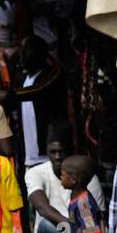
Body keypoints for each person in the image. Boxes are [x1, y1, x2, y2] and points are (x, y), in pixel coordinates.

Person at [24, 126, 106, 233]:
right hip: (57, 230)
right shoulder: (36, 172)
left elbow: (98, 226)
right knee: (47, 224)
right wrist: (72, 227)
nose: (57, 157)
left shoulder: (86, 179)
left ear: (74, 180)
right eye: (53, 152)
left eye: (61, 152)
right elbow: (42, 207)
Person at [13, 36, 67, 168]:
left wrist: (9, 94)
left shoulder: (53, 74)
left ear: (40, 53)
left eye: (26, 51)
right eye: (21, 51)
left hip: (49, 158)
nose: (21, 55)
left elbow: (38, 90)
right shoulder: (22, 79)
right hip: (28, 158)